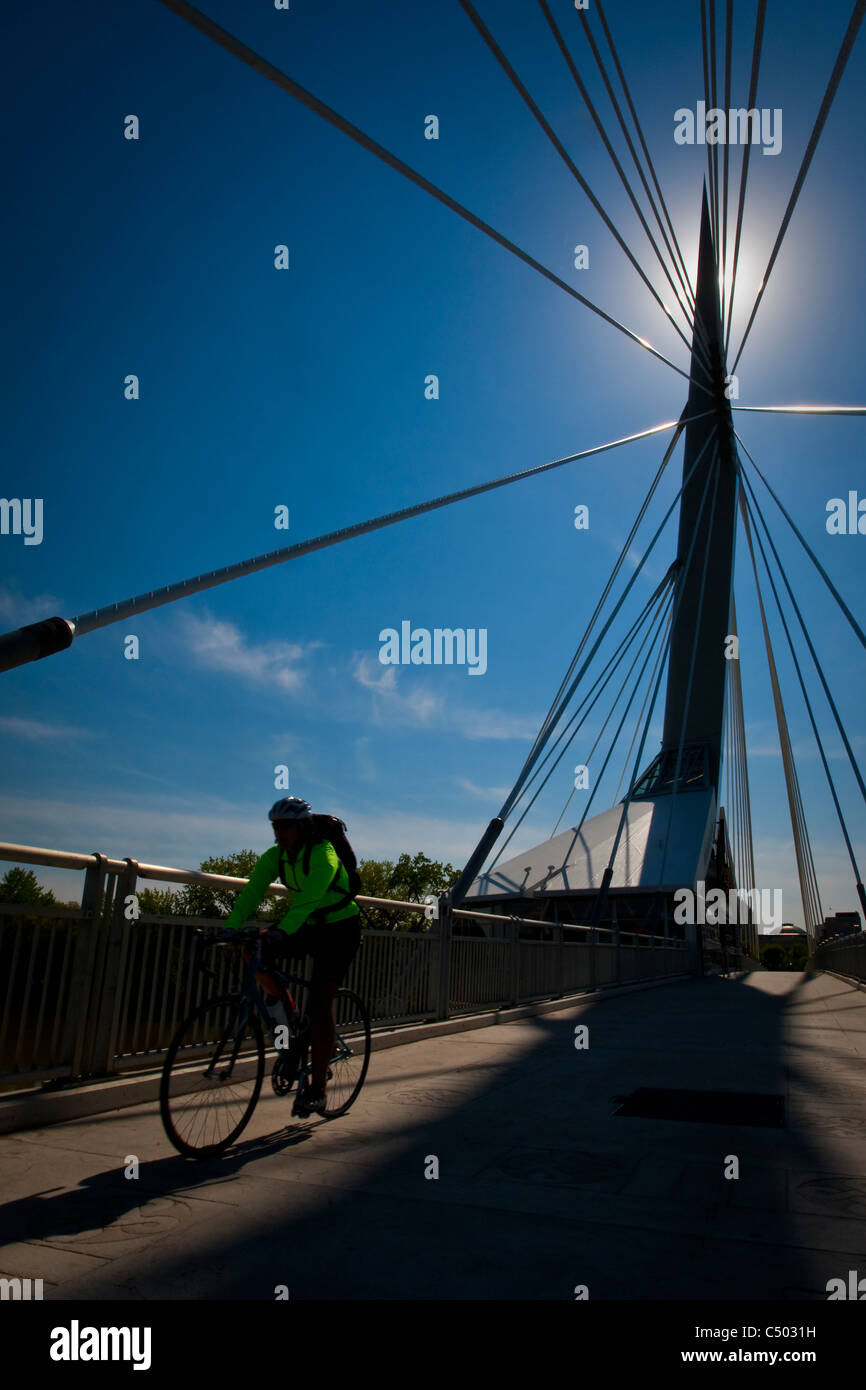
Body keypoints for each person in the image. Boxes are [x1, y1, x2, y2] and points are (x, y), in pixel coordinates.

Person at [220, 797, 361, 1113]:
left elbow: (307, 900)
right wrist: (229, 927)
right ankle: (290, 1018)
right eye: (275, 826)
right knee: (251, 953)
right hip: (308, 923)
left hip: (340, 928)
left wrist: (281, 930)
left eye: (285, 826)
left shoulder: (324, 854)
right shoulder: (275, 856)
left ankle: (318, 1087)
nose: (279, 832)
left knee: (322, 1001)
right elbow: (253, 892)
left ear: (302, 827)